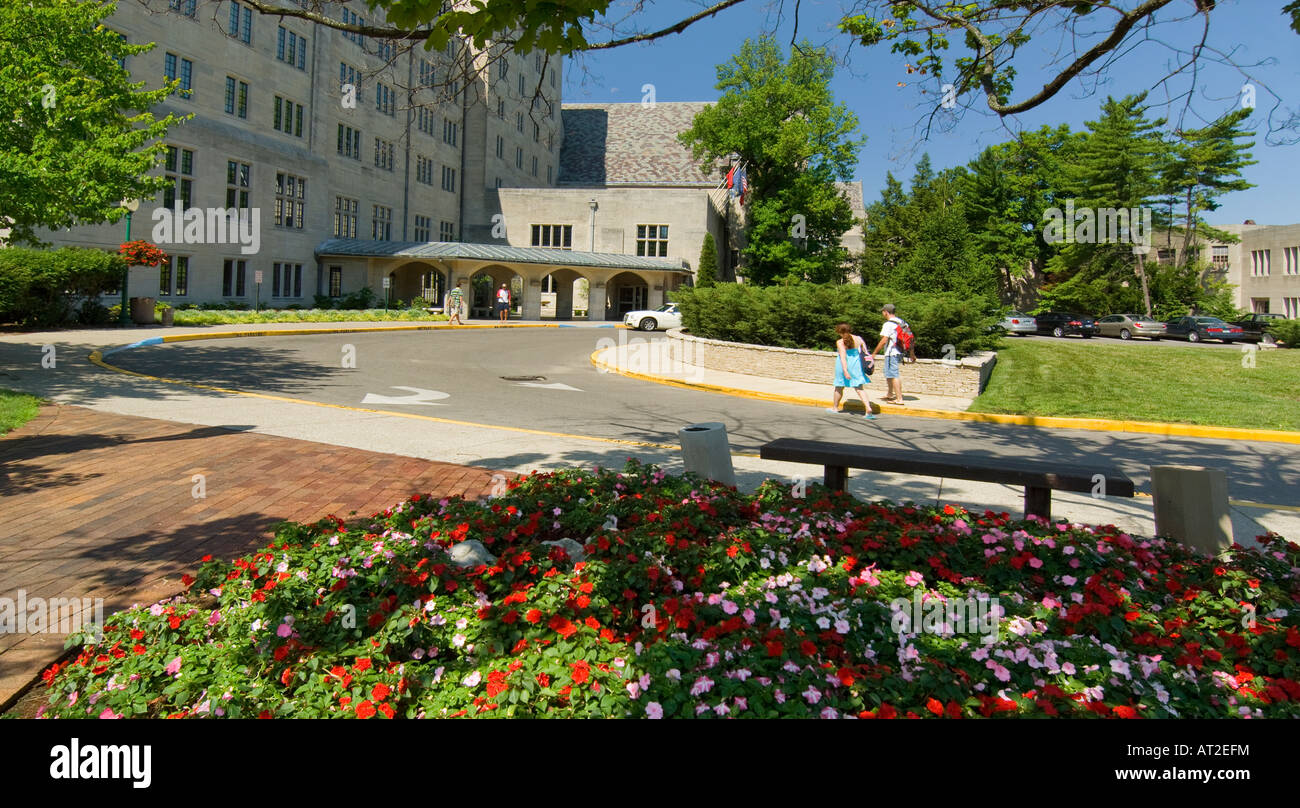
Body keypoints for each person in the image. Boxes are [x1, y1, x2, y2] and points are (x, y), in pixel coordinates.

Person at [829, 323, 877, 419]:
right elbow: (865, 352)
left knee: (839, 386)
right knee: (859, 388)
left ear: (839, 332)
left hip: (844, 365)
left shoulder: (840, 342)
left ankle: (835, 407)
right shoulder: (858, 338)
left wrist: (845, 371)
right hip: (856, 364)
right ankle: (868, 408)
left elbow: (843, 357)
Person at [871, 303, 910, 406]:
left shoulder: (888, 324)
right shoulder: (902, 322)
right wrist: (912, 353)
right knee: (888, 373)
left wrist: (874, 353)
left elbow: (884, 340)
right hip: (900, 352)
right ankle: (889, 394)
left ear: (886, 312)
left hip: (891, 352)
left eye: (883, 312)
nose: (883, 313)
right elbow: (910, 338)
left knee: (894, 375)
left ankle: (899, 399)